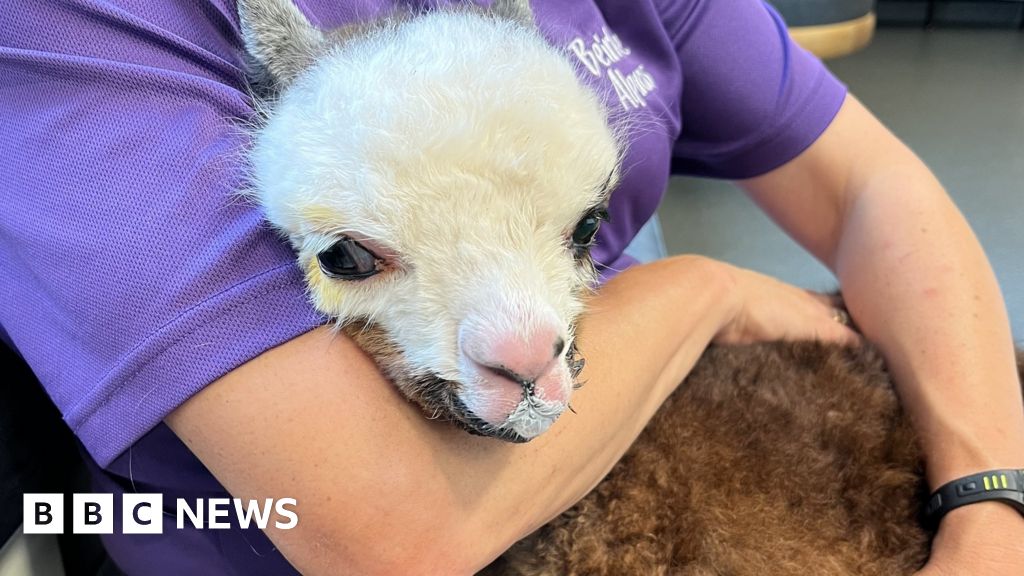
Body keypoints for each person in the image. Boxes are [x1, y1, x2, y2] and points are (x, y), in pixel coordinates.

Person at [2, 0, 1021, 574]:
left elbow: (868, 186)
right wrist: (699, 290)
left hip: (651, 440)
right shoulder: (84, 26)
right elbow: (390, 537)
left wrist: (987, 503)